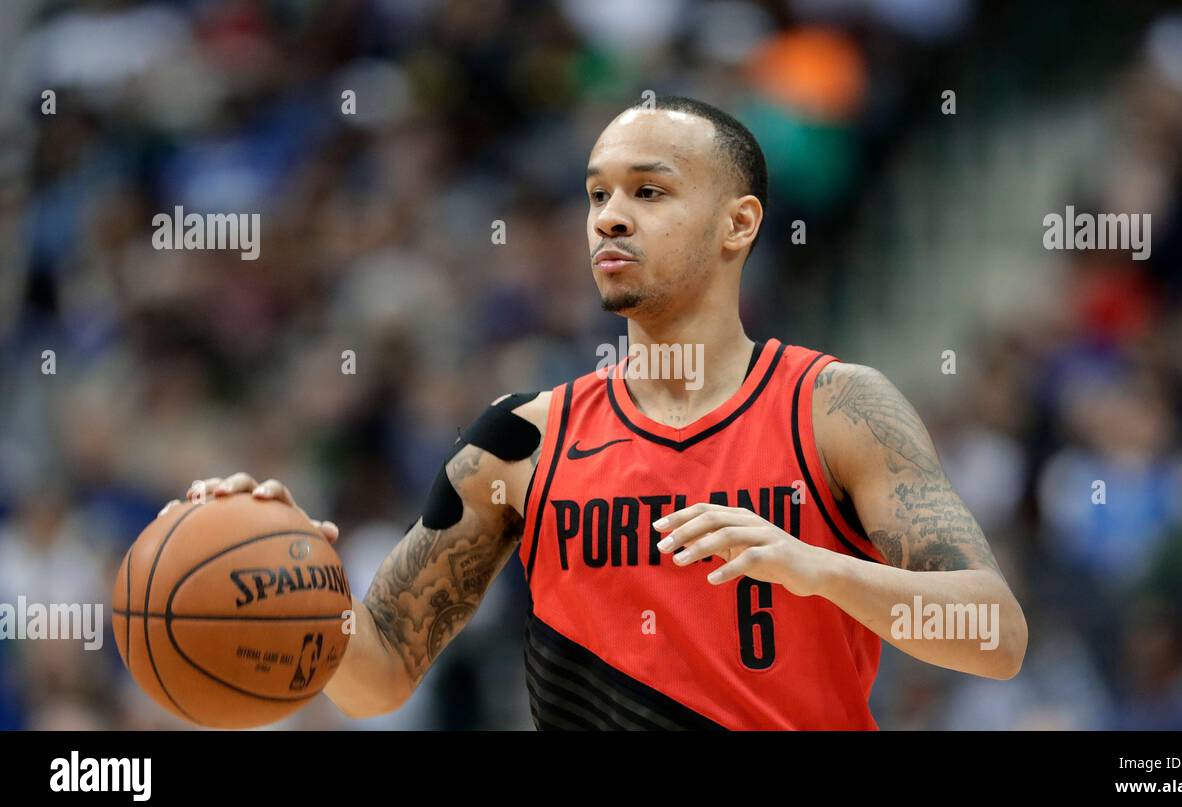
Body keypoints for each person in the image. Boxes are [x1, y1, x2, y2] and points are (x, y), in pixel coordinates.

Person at [168, 97, 1027, 729]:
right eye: (597, 194)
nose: (610, 217)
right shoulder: (519, 440)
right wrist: (294, 590)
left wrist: (818, 569)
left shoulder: (837, 407)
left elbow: (993, 634)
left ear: (739, 224)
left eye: (650, 193)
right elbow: (380, 673)